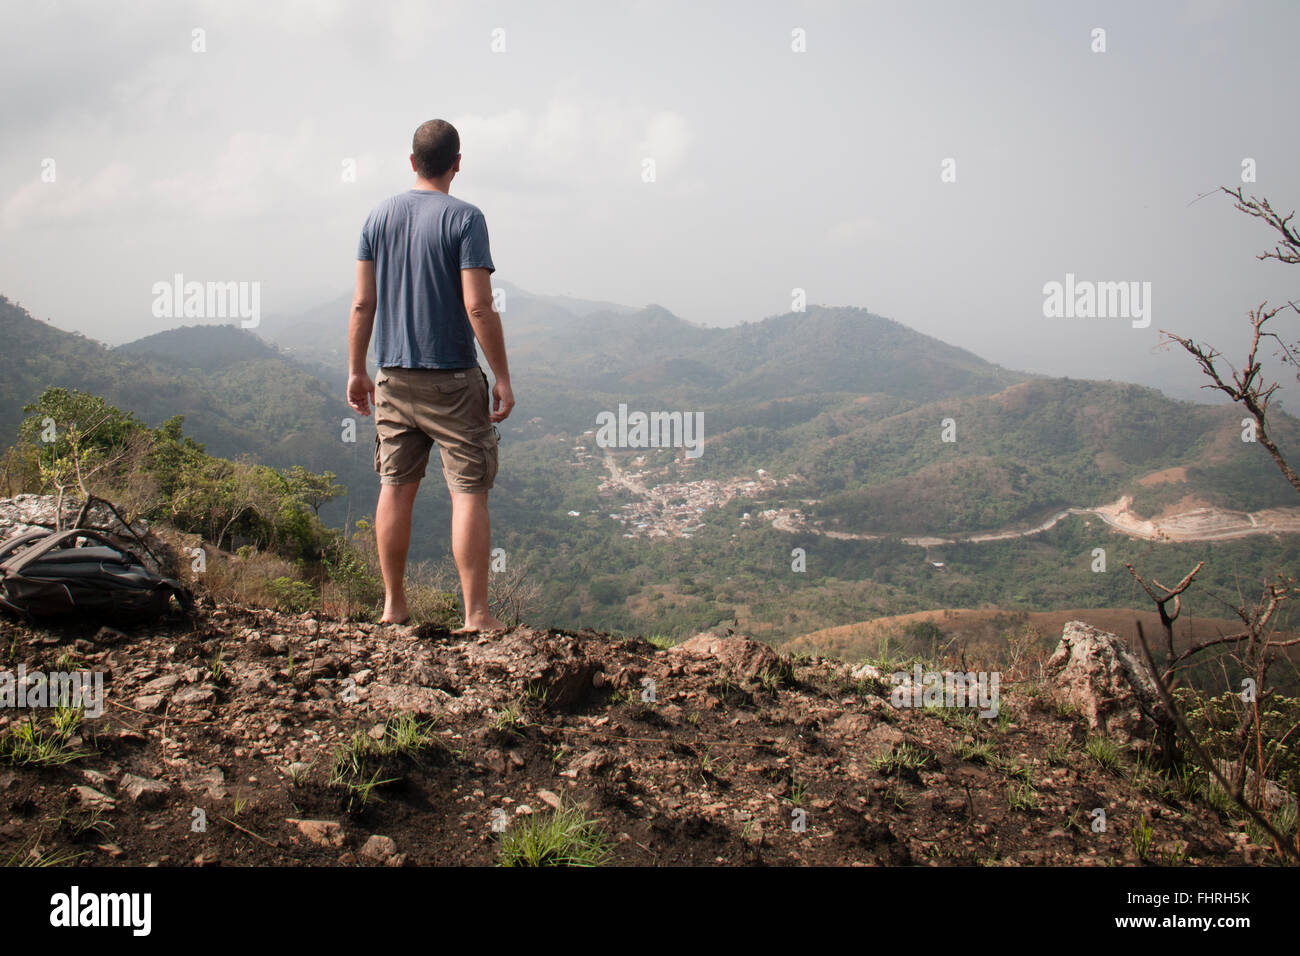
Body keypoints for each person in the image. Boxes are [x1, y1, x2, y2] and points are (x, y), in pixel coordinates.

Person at [346, 119, 514, 629]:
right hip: (454, 381)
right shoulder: (466, 219)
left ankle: (394, 607)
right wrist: (502, 377)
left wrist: (357, 370)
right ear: (457, 164)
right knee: (468, 493)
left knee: (395, 487)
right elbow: (479, 308)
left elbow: (362, 303)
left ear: (413, 162)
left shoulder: (378, 216)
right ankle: (477, 615)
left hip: (393, 377)